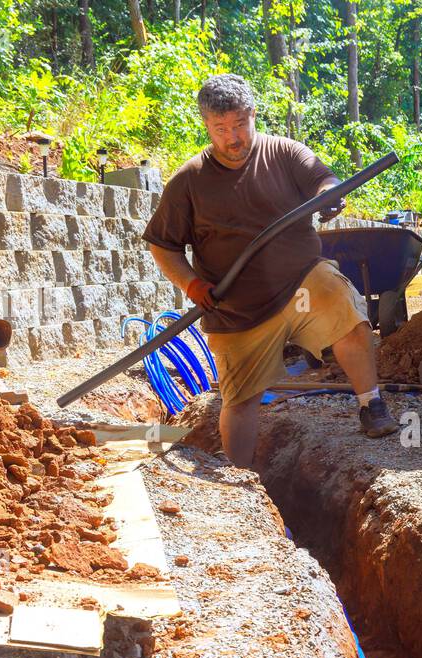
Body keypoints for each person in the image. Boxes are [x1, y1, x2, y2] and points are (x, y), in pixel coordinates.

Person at [143, 73, 398, 468]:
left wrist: (327, 196)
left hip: (298, 284)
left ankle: (371, 404)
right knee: (240, 398)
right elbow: (163, 245)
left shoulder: (284, 152)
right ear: (207, 126)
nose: (233, 138)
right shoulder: (188, 181)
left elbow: (323, 178)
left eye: (240, 124)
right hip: (236, 307)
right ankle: (243, 482)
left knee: (341, 300)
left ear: (253, 115)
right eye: (221, 128)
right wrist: (190, 283)